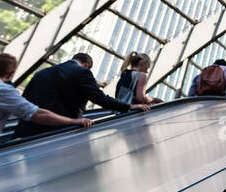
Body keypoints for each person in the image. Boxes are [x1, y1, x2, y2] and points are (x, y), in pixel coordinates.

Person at [13, 53, 148, 139]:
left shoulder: (41, 73)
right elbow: (101, 99)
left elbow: (24, 101)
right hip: (59, 132)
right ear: (87, 66)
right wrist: (129, 106)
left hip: (27, 132)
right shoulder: (82, 72)